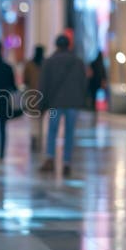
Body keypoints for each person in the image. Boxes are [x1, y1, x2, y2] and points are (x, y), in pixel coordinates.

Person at [39, 35, 87, 176]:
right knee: (69, 132)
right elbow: (83, 82)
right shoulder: (78, 62)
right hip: (73, 103)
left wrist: (42, 103)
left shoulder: (50, 62)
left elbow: (44, 84)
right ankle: (67, 162)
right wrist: (81, 99)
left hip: (54, 104)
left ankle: (50, 158)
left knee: (52, 130)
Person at [23, 46, 45, 152]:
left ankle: (34, 137)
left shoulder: (30, 65)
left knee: (33, 119)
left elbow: (25, 79)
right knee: (40, 119)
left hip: (32, 96)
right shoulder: (45, 64)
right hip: (43, 96)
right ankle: (38, 137)